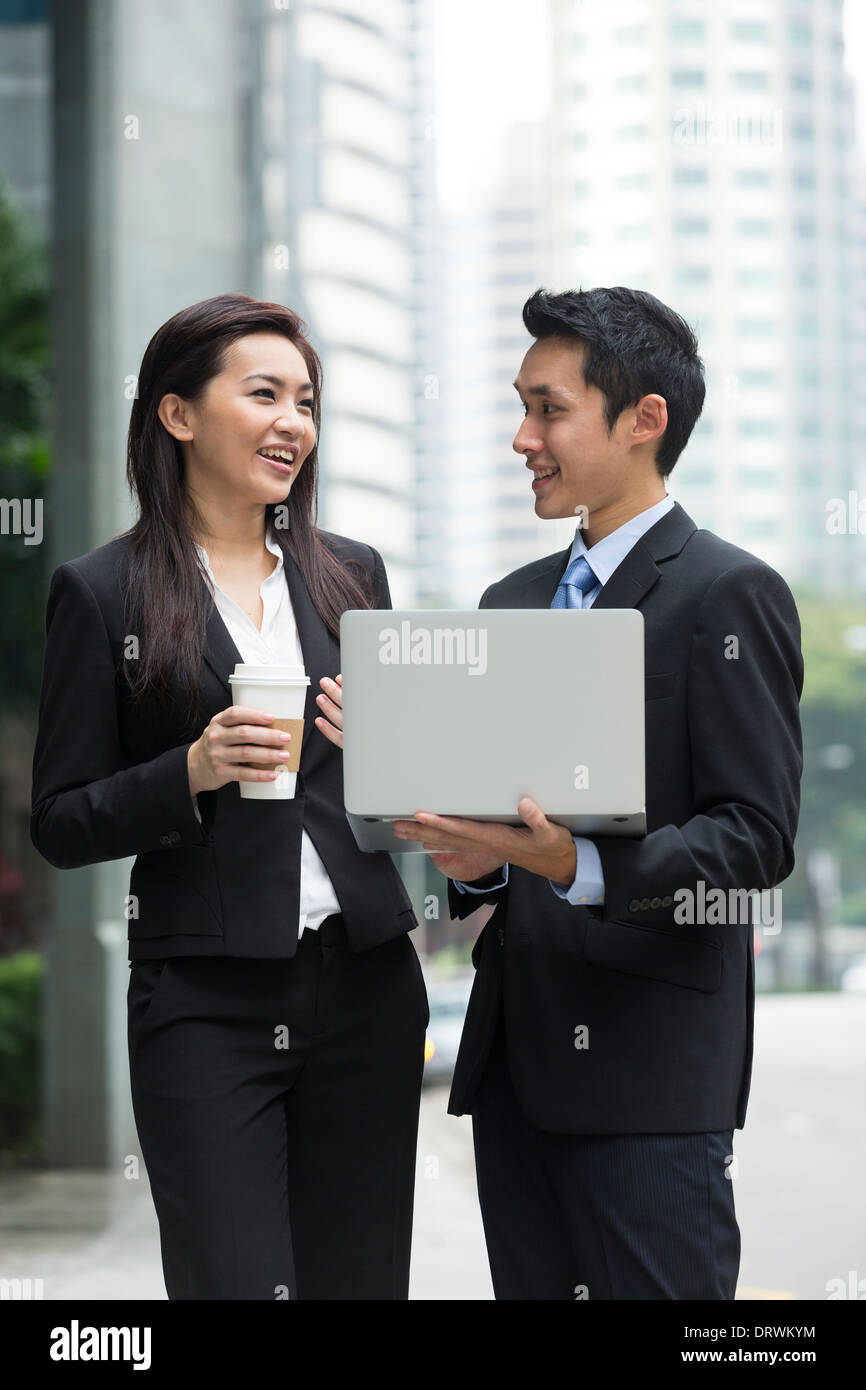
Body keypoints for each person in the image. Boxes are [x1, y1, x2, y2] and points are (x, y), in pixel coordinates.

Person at [389, 286, 804, 1300]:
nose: (520, 436)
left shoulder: (726, 593)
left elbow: (753, 841)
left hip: (650, 1080)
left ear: (642, 420)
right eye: (519, 406)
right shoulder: (508, 603)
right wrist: (473, 864)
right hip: (515, 1070)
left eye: (547, 408)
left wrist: (576, 863)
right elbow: (495, 846)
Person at [30, 293, 428, 1300]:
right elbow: (63, 817)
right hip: (204, 1003)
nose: (293, 421)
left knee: (358, 1284)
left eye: (306, 400)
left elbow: (392, 789)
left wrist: (399, 754)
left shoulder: (352, 576)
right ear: (177, 413)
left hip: (368, 986)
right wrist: (191, 770)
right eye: (263, 394)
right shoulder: (104, 591)